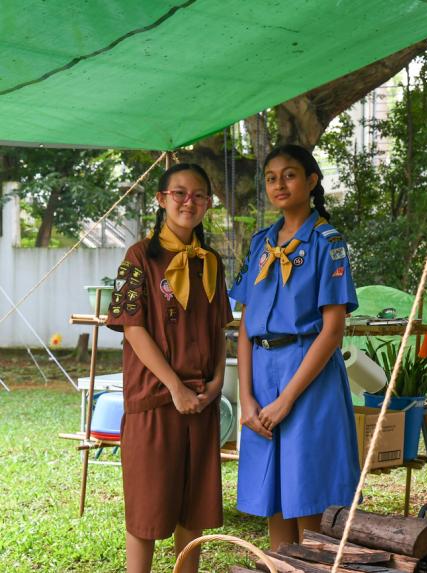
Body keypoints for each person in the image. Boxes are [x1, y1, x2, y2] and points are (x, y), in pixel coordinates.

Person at [229, 144, 360, 548]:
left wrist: (286, 400)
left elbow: (333, 331)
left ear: (311, 181)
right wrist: (246, 398)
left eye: (289, 175)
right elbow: (246, 323)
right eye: (271, 177)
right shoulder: (260, 244)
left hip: (307, 380)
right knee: (274, 499)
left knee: (309, 497)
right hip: (262, 377)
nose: (279, 184)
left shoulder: (327, 243)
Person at [106, 163, 233, 573]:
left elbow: (218, 329)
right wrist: (175, 387)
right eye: (179, 193)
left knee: (194, 510)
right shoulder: (139, 257)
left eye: (198, 195)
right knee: (147, 507)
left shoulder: (211, 261)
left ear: (208, 204)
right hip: (155, 399)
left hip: (201, 401)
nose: (188, 202)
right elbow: (133, 330)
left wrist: (217, 381)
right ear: (161, 200)